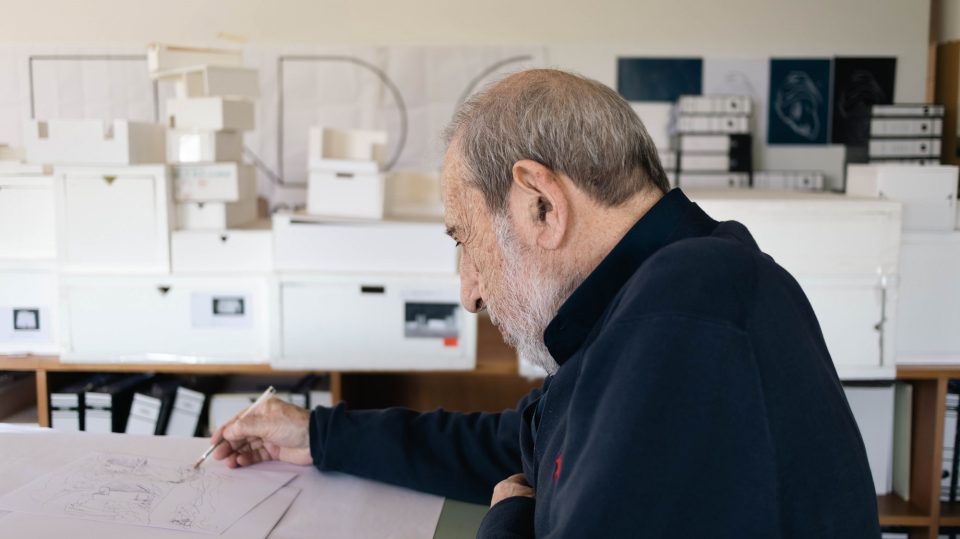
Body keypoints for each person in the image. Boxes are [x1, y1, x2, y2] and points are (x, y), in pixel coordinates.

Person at [212, 69, 881, 538]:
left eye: (466, 240)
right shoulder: (659, 299)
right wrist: (319, 435)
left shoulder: (687, 319)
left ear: (540, 203)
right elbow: (526, 441)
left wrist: (508, 519)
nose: (469, 292)